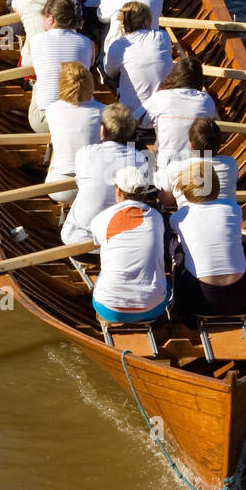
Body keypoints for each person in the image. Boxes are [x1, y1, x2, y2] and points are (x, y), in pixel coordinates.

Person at [168, 160, 246, 318]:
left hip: (202, 299)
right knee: (241, 245)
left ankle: (177, 307)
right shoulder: (233, 209)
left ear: (187, 192)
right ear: (216, 186)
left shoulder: (179, 216)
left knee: (175, 246)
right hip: (242, 296)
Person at [61, 103, 151, 245]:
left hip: (78, 241)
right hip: (120, 243)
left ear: (102, 130)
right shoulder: (141, 158)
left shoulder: (85, 154)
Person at [89, 165, 170, 324]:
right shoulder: (156, 217)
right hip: (154, 308)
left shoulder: (100, 219)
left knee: (101, 273)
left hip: (110, 309)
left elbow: (99, 246)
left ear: (118, 190)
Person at [23, 0, 92, 133]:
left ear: (51, 19)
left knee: (39, 80)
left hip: (44, 121)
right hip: (82, 118)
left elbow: (25, 64)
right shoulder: (88, 43)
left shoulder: (34, 40)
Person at [142, 57, 216, 184]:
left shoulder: (160, 97)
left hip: (165, 170)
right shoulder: (207, 101)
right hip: (198, 173)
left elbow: (133, 121)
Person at [102, 1, 173, 126]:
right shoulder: (162, 36)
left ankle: (130, 143)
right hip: (163, 114)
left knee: (111, 69)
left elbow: (109, 72)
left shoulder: (118, 45)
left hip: (133, 119)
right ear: (146, 21)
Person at [44, 62, 104, 204]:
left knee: (56, 148)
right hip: (94, 186)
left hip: (59, 189)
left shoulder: (52, 109)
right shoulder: (104, 111)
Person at [165, 117, 238, 206]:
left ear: (191, 145)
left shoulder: (173, 168)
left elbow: (167, 200)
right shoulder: (231, 163)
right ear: (220, 143)